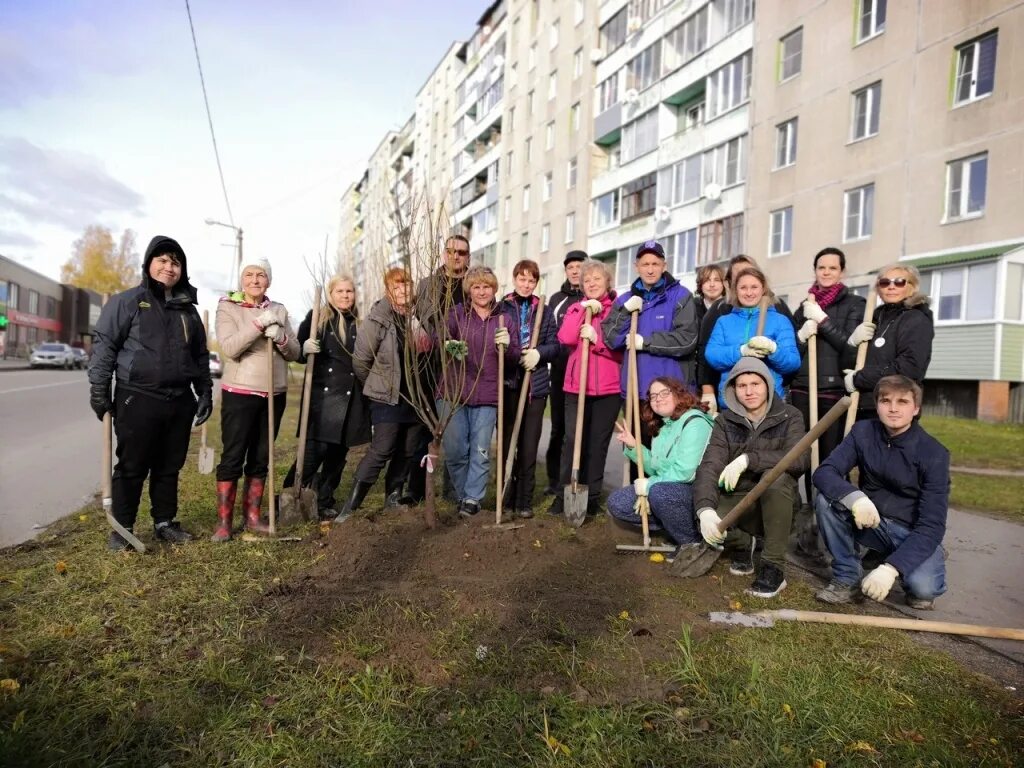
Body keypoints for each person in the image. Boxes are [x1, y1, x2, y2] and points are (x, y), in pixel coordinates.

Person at [89, 235, 212, 550]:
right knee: (132, 466)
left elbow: (199, 356)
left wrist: (205, 391)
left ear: (182, 270)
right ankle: (122, 529)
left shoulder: (188, 310)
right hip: (138, 397)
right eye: (163, 261)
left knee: (169, 465)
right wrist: (100, 389)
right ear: (149, 264)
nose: (169, 267)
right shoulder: (127, 301)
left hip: (179, 400)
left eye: (175, 262)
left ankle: (164, 522)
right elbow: (105, 347)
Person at [813, 376, 949, 609]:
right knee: (827, 500)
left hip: (910, 531)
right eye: (885, 401)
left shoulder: (934, 453)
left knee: (923, 590)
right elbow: (825, 472)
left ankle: (908, 559)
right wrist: (856, 499)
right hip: (870, 520)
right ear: (877, 405)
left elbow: (932, 524)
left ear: (916, 409)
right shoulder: (863, 432)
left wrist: (890, 570)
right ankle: (847, 577)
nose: (893, 408)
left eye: (902, 402)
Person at [693, 358, 808, 598]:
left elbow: (799, 460)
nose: (749, 391)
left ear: (767, 384)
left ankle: (773, 566)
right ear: (733, 389)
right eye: (742, 385)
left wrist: (749, 459)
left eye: (755, 383)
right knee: (702, 514)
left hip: (777, 502)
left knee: (774, 477)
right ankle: (744, 544)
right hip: (739, 502)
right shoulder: (725, 421)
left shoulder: (790, 416)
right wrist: (704, 510)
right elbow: (710, 464)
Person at [212, 258, 300, 541]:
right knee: (233, 456)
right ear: (242, 280)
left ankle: (252, 517)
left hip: (274, 393)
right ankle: (224, 523)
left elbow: (295, 352)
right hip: (240, 391)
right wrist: (259, 325)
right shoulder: (228, 307)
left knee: (261, 457)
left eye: (261, 275)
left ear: (268, 281)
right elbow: (230, 348)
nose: (254, 280)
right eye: (249, 274)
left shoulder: (280, 309)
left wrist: (282, 337)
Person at [282, 275, 371, 519]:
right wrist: (305, 347)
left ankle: (324, 499)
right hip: (324, 398)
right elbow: (298, 352)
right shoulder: (317, 318)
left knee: (338, 456)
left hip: (353, 398)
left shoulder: (360, 323)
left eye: (349, 291)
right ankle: (289, 494)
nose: (345, 295)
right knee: (314, 452)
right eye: (340, 291)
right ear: (331, 294)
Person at [344, 268, 431, 517]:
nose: (403, 290)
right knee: (382, 448)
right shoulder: (378, 319)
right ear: (388, 289)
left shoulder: (419, 316)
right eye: (397, 285)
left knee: (407, 448)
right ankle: (351, 505)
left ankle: (392, 496)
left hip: (415, 397)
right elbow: (361, 362)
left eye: (407, 285)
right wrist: (377, 386)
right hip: (387, 396)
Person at [436, 265, 520, 518]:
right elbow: (437, 338)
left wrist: (508, 346)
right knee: (455, 450)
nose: (482, 291)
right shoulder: (456, 314)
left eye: (486, 286)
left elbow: (515, 358)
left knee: (481, 451)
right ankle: (463, 495)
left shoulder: (504, 318)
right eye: (476, 287)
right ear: (469, 290)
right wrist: (447, 344)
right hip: (453, 391)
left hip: (487, 394)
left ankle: (472, 499)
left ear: (494, 288)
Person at [548, 259, 623, 518]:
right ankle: (563, 495)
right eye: (587, 280)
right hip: (576, 386)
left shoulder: (617, 310)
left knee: (597, 444)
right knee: (572, 442)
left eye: (597, 280)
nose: (591, 284)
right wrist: (582, 311)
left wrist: (597, 339)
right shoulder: (574, 308)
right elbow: (566, 338)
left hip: (608, 390)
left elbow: (619, 349)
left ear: (607, 282)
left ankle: (591, 497)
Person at [607, 377, 714, 548]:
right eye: (653, 396)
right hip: (669, 488)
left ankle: (691, 541)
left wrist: (649, 485)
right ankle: (675, 527)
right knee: (617, 503)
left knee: (660, 493)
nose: (658, 399)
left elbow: (686, 472)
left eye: (664, 393)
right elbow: (656, 468)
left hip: (699, 492)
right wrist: (634, 446)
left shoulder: (695, 422)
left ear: (679, 394)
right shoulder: (663, 426)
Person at [499, 259, 560, 519]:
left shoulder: (543, 310)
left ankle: (524, 500)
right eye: (522, 279)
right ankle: (506, 496)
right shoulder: (502, 307)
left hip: (535, 386)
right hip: (509, 383)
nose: (526, 284)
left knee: (528, 446)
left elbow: (555, 344)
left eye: (531, 280)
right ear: (514, 279)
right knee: (505, 445)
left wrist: (538, 352)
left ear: (536, 282)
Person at [413, 234, 472, 501]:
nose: (455, 256)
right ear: (443, 254)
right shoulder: (429, 285)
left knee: (460, 431)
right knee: (428, 428)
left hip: (467, 366)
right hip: (434, 365)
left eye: (461, 252)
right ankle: (417, 488)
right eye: (450, 251)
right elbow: (426, 316)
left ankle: (453, 488)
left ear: (467, 256)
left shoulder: (474, 283)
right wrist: (446, 341)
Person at [697, 255, 796, 415]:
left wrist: (773, 350)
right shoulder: (724, 320)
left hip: (769, 404)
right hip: (731, 403)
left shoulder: (779, 320)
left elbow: (792, 362)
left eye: (754, 287)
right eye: (743, 288)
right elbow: (711, 355)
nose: (749, 293)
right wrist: (741, 351)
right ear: (735, 289)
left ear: (763, 288)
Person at [844, 263, 934, 422]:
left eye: (899, 282)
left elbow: (909, 368)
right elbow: (848, 364)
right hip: (865, 406)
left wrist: (859, 379)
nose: (891, 287)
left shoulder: (916, 319)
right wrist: (852, 343)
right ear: (878, 289)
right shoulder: (874, 318)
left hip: (895, 409)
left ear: (912, 287)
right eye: (885, 282)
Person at [544, 250, 586, 495]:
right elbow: (552, 333)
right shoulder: (557, 299)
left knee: (580, 429)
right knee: (558, 427)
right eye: (570, 266)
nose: (574, 270)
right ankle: (554, 480)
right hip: (560, 372)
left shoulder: (592, 296)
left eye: (579, 266)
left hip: (586, 372)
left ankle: (578, 478)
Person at [693, 263, 728, 415]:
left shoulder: (730, 307)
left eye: (717, 280)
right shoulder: (692, 307)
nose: (712, 284)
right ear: (700, 285)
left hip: (723, 372)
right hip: (698, 376)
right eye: (707, 280)